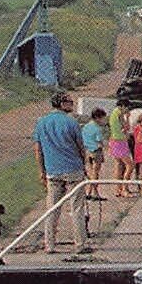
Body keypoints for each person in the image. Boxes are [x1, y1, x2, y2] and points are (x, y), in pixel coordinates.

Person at [33, 93, 89, 255]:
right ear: (62, 104)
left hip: (52, 170)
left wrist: (41, 170)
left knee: (52, 209)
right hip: (73, 169)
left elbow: (38, 150)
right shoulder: (71, 122)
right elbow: (80, 147)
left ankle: (49, 244)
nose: (72, 104)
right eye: (69, 102)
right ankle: (80, 244)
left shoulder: (41, 123)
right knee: (77, 208)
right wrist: (84, 164)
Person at [107, 98, 136, 197]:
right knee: (130, 165)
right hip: (120, 141)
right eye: (127, 108)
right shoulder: (119, 114)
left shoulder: (114, 113)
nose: (127, 110)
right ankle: (124, 189)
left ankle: (118, 189)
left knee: (119, 165)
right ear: (123, 106)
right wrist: (127, 118)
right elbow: (127, 127)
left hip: (113, 140)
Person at [81, 107, 108, 199]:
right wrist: (105, 147)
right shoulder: (97, 128)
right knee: (95, 173)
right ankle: (95, 193)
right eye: (102, 118)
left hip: (87, 151)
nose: (103, 120)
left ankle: (89, 192)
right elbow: (99, 141)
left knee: (91, 172)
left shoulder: (86, 127)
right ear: (97, 118)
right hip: (96, 151)